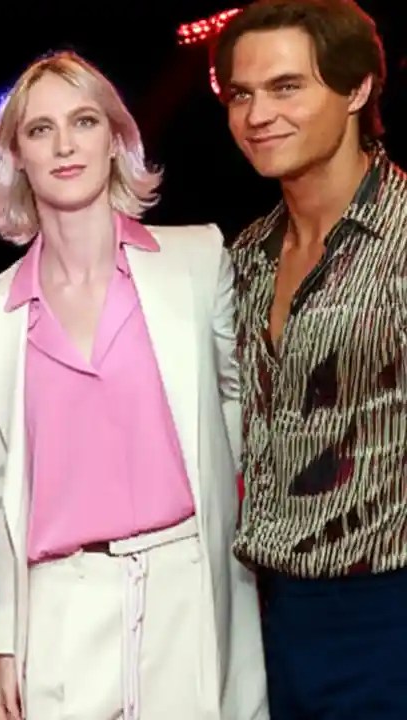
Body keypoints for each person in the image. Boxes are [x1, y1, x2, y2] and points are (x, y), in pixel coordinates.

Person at [0, 51, 268, 720]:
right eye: (40, 130)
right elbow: (4, 493)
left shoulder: (197, 259)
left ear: (116, 139)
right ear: (16, 156)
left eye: (85, 120)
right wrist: (9, 639)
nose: (65, 144)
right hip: (61, 605)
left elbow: (243, 412)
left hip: (187, 588)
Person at [213, 1, 407, 716]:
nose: (257, 113)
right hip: (268, 617)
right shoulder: (244, 257)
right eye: (241, 94)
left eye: (287, 87)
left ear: (357, 90)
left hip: (387, 614)